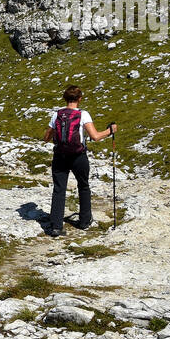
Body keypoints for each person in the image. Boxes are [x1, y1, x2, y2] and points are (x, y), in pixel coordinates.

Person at [43, 85, 115, 237]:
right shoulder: (83, 115)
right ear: (80, 99)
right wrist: (110, 131)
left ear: (65, 98)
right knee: (83, 186)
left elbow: (46, 137)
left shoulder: (57, 114)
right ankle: (84, 221)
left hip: (60, 156)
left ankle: (56, 226)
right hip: (78, 156)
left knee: (59, 189)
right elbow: (95, 136)